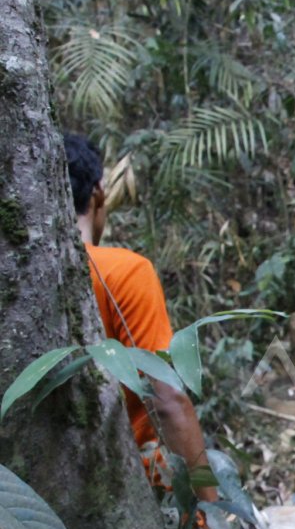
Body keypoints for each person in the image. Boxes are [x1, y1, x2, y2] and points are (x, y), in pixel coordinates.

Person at [65, 134, 216, 503]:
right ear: (98, 193)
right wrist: (212, 511)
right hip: (139, 492)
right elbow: (168, 400)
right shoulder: (125, 273)